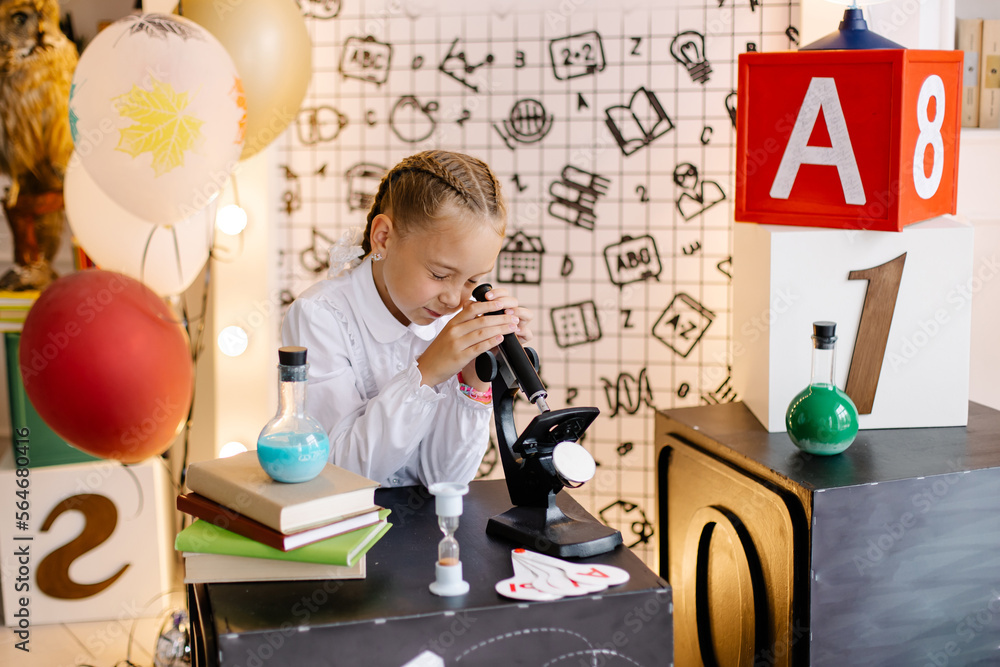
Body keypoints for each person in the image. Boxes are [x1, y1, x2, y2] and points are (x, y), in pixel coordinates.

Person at [281, 150, 533, 488]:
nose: (456, 299)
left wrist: (473, 382)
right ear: (383, 237)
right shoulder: (319, 316)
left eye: (473, 281)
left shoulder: (450, 319)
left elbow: (444, 481)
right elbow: (339, 473)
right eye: (440, 274)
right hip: (340, 530)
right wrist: (426, 373)